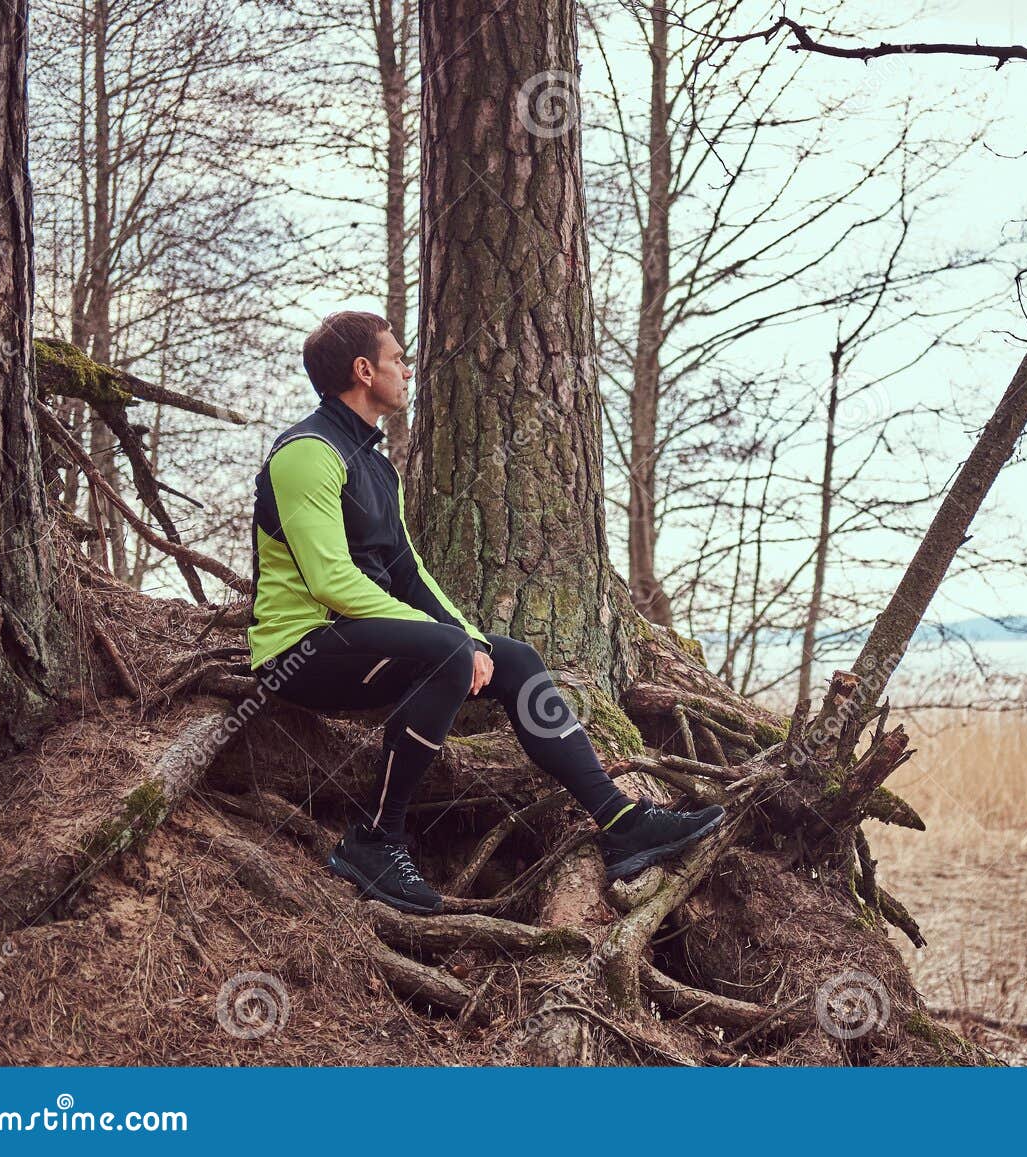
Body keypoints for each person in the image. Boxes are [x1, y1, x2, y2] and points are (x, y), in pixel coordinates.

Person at [246, 310, 724, 915]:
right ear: (364, 371)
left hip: (366, 640)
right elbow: (331, 580)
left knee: (515, 659)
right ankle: (376, 840)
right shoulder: (307, 454)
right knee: (448, 652)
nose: (407, 370)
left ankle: (620, 821)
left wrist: (470, 637)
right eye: (397, 359)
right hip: (300, 650)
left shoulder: (377, 466)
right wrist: (448, 643)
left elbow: (409, 572)